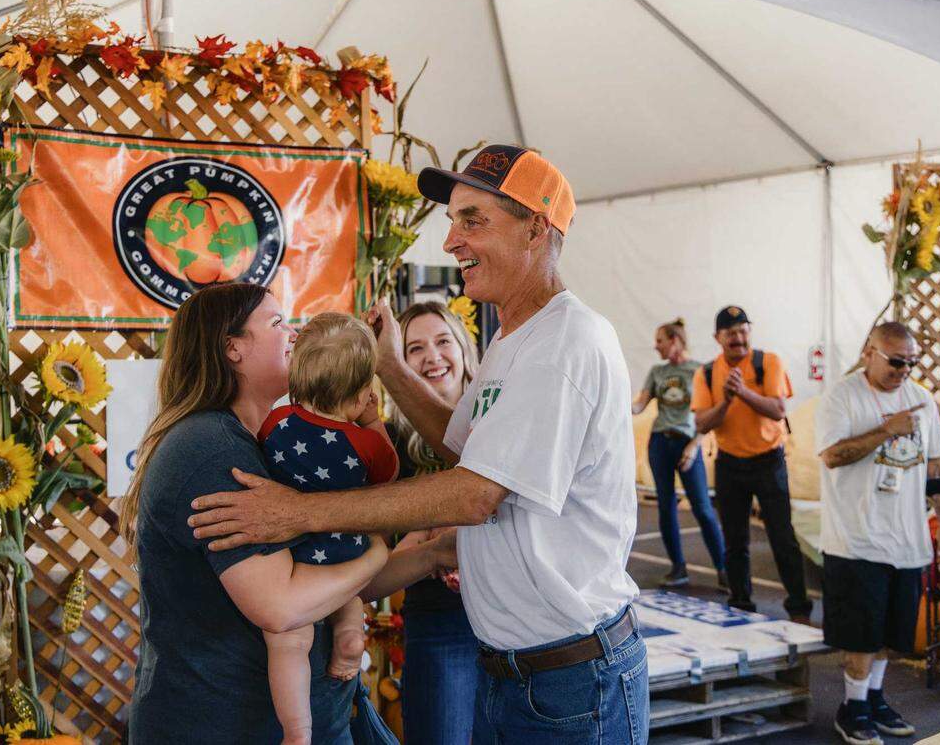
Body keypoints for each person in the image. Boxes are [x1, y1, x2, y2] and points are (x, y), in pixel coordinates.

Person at [188, 145, 649, 744]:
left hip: (571, 677)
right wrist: (390, 368)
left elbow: (476, 494)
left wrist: (299, 512)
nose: (452, 241)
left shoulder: (565, 342)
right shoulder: (514, 339)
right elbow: (465, 449)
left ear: (535, 229)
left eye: (472, 221)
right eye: (453, 221)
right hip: (519, 669)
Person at [123, 283, 455, 744]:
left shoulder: (264, 443)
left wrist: (434, 553)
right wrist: (377, 550)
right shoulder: (210, 449)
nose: (295, 334)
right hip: (225, 729)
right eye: (278, 322)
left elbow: (328, 577)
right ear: (233, 348)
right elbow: (282, 605)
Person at [257, 312, 399, 743]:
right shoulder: (364, 443)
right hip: (347, 550)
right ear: (360, 396)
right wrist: (371, 422)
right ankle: (350, 636)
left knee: (288, 641)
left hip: (298, 555)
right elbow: (388, 473)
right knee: (349, 598)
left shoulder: (276, 424)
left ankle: (297, 731)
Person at [817, 321, 940, 744]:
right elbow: (832, 456)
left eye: (911, 363)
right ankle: (852, 707)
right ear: (869, 353)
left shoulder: (921, 400)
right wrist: (886, 430)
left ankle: (873, 698)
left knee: (893, 634)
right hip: (856, 537)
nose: (904, 371)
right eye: (896, 362)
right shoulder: (842, 396)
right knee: (861, 635)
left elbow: (937, 466)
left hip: (907, 538)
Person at [385, 301, 480, 745]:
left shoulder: (499, 421)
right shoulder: (390, 443)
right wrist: (429, 541)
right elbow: (380, 561)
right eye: (415, 348)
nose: (432, 357)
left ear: (464, 350)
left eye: (443, 342)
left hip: (520, 622)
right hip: (443, 623)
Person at [691, 306, 812, 620]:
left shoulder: (768, 362)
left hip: (768, 462)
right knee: (735, 542)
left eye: (743, 331)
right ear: (717, 338)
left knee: (782, 537)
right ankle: (740, 605)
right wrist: (727, 401)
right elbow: (702, 423)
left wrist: (742, 391)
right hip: (730, 464)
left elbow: (777, 410)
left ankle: (799, 606)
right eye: (730, 333)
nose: (738, 338)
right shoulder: (706, 373)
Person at [633, 317, 726, 588]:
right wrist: (614, 402)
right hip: (660, 443)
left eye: (660, 341)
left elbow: (708, 416)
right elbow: (639, 405)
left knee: (702, 508)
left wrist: (694, 445)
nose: (656, 346)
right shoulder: (657, 372)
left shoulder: (698, 371)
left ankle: (724, 569)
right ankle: (678, 568)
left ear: (675, 341)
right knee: (666, 506)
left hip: (687, 442)